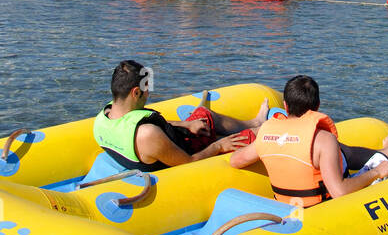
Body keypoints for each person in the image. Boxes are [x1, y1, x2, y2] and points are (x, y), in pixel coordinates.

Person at [230, 75, 388, 206]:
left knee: (346, 152)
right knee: (387, 157)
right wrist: (377, 172)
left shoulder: (267, 132)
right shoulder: (323, 140)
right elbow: (339, 192)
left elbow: (236, 161)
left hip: (287, 205)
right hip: (321, 209)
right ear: (316, 106)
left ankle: (385, 152)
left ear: (285, 106)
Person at [93, 60, 268, 171]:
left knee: (203, 115)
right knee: (251, 136)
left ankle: (254, 121)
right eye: (146, 90)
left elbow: (134, 124)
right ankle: (263, 127)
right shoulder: (148, 134)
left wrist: (185, 125)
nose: (148, 94)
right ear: (136, 92)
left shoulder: (105, 116)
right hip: (188, 153)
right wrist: (219, 146)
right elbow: (189, 162)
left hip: (173, 140)